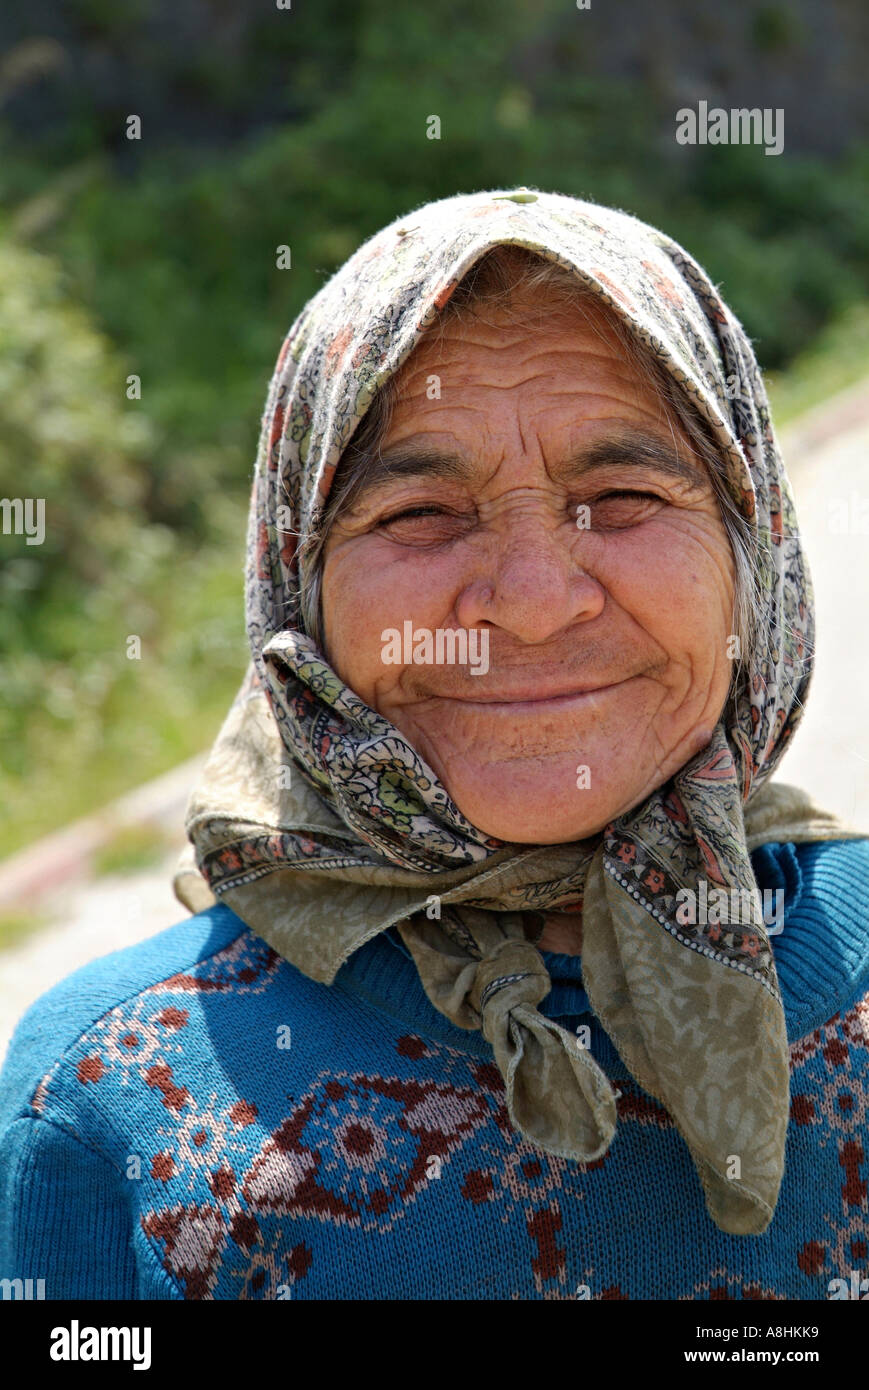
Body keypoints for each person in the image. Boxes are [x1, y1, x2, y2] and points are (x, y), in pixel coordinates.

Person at [1, 188, 867, 1301]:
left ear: (756, 560)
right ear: (296, 585)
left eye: (621, 495)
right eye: (419, 516)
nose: (534, 602)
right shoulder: (104, 1097)